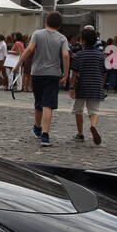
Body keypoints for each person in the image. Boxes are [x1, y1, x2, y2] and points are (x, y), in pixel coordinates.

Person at [27, 11, 71, 147]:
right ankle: (45, 135)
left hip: (37, 73)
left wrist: (17, 65)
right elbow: (65, 55)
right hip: (53, 74)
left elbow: (29, 50)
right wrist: (66, 74)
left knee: (38, 102)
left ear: (46, 21)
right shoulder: (62, 38)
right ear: (59, 25)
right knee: (48, 105)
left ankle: (37, 127)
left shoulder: (37, 34)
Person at [69, 25, 106, 145]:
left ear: (83, 41)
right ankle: (93, 126)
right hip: (96, 86)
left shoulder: (79, 55)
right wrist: (102, 85)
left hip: (82, 86)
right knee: (94, 111)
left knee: (78, 110)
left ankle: (80, 134)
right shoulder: (101, 56)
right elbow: (104, 72)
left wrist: (72, 88)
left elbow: (74, 73)